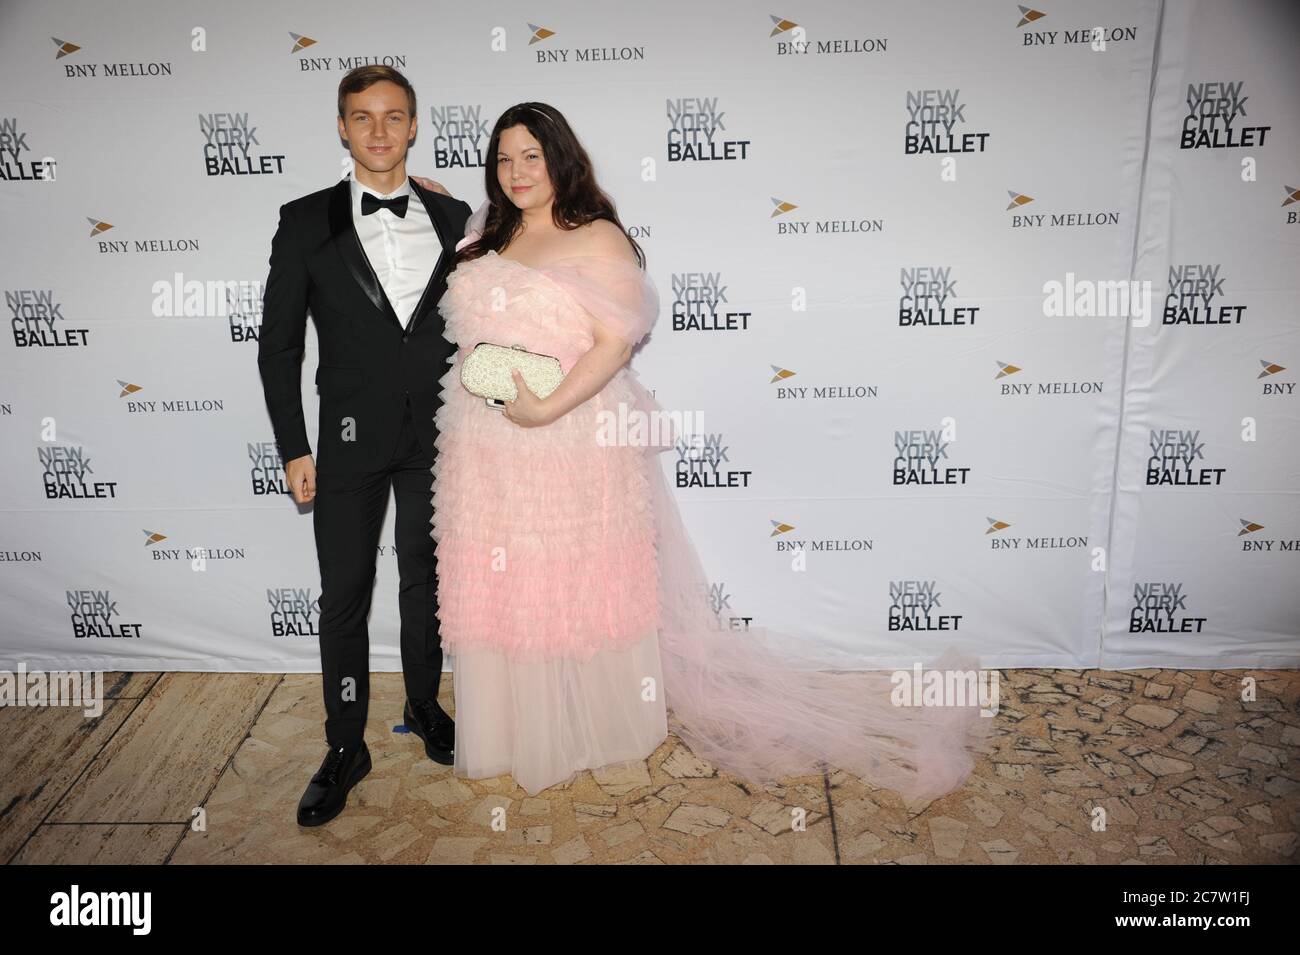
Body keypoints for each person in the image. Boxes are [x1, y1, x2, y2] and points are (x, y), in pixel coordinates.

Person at [420, 102, 994, 800]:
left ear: (560, 158)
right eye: (504, 158)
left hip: (566, 436)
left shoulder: (594, 236)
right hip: (483, 444)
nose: (516, 172)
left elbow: (613, 343)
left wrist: (545, 408)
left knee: (571, 584)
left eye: (531, 156)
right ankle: (514, 728)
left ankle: (586, 729)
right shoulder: (487, 232)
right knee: (504, 583)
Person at [257, 65, 472, 827]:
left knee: (427, 582)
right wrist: (292, 446)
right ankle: (346, 742)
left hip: (438, 438)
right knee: (344, 595)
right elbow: (278, 347)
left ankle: (424, 704)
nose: (379, 131)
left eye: (394, 116)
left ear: (414, 127)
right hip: (343, 442)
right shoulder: (302, 219)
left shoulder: (456, 219)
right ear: (342, 129)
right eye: (362, 117)